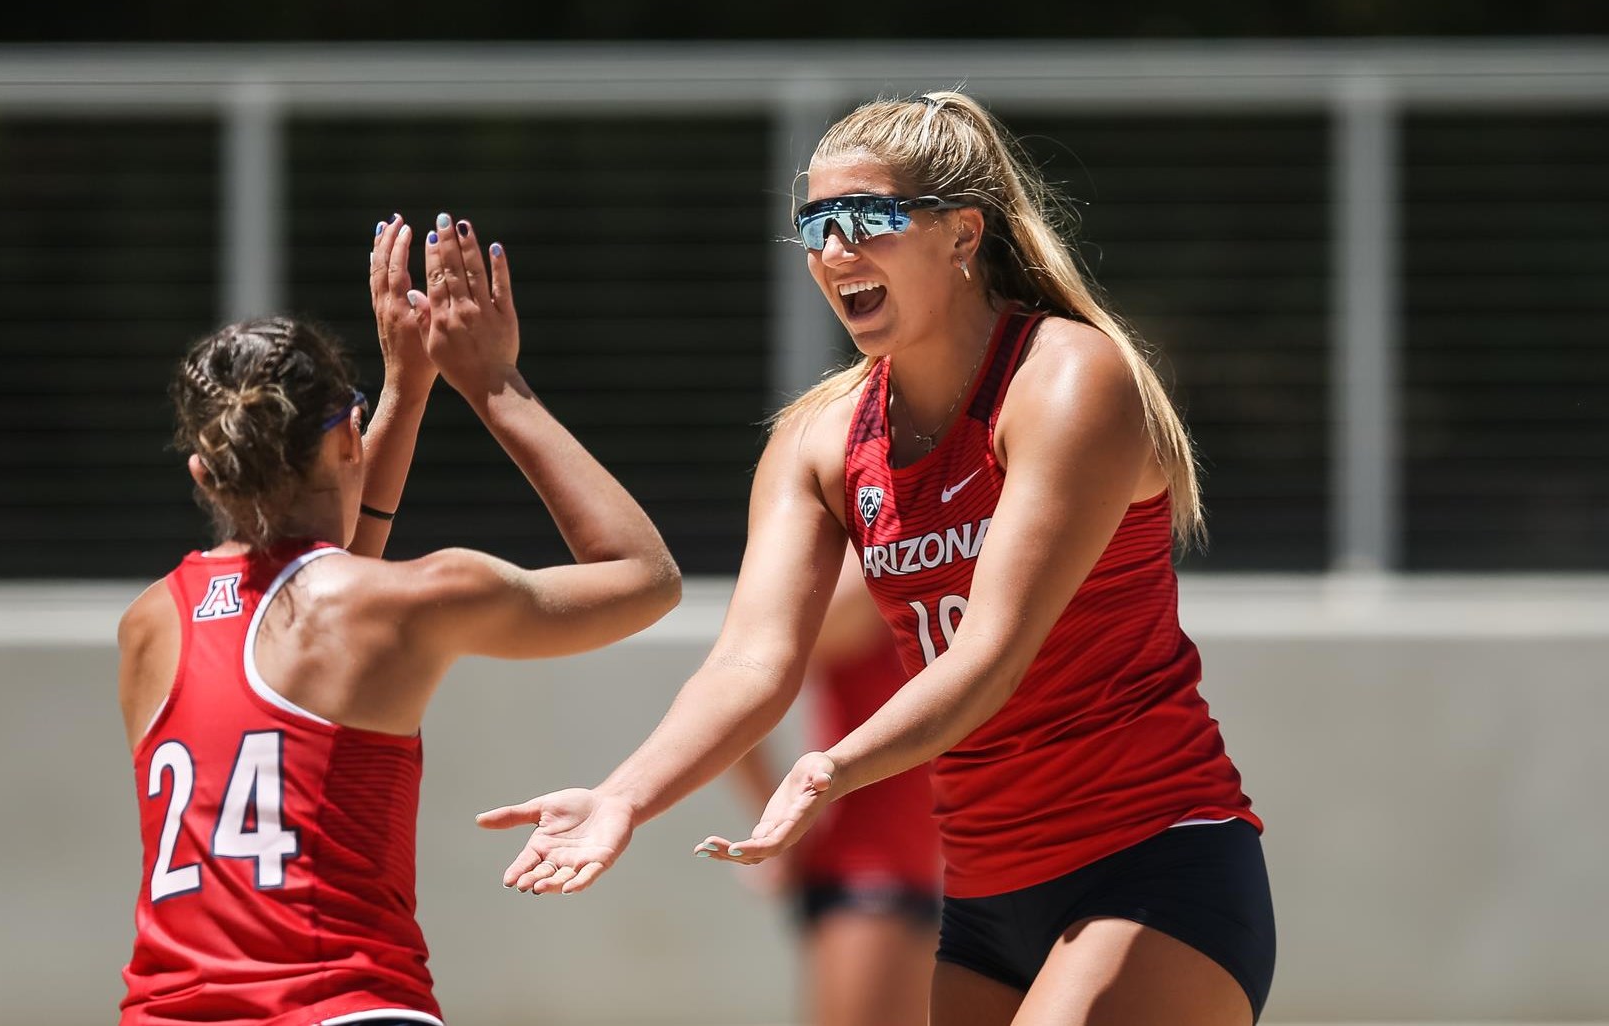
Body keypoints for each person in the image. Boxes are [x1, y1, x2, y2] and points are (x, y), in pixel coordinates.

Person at [480, 90, 1276, 1026]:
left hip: (1150, 864)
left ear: (961, 234)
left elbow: (990, 657)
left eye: (867, 219)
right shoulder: (820, 438)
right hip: (984, 896)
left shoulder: (1066, 379)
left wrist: (833, 766)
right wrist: (622, 797)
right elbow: (751, 661)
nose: (833, 251)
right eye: (814, 223)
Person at [117, 212, 680, 1026]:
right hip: (342, 1005)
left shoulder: (148, 624)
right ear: (348, 437)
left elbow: (325, 574)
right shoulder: (411, 599)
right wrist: (493, 386)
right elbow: (646, 578)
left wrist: (402, 395)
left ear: (206, 473)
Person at [726, 556, 941, 1026]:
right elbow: (736, 702)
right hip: (863, 872)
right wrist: (780, 830)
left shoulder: (940, 589)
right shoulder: (866, 588)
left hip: (931, 873)